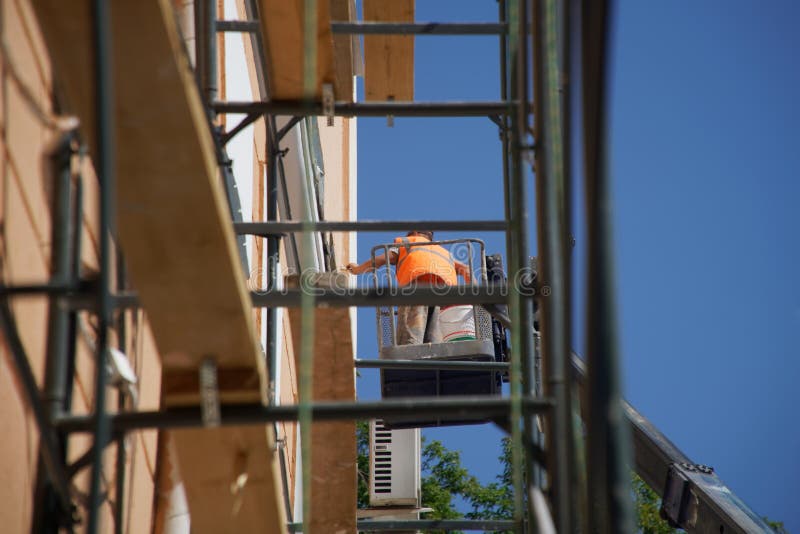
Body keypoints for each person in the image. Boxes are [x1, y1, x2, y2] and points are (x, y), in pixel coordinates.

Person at [346, 230, 471, 345]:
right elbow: (466, 270)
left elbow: (382, 260)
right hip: (444, 302)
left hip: (415, 293)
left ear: (414, 232)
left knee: (410, 343)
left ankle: (409, 364)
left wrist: (357, 269)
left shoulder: (406, 243)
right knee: (436, 344)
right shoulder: (444, 253)